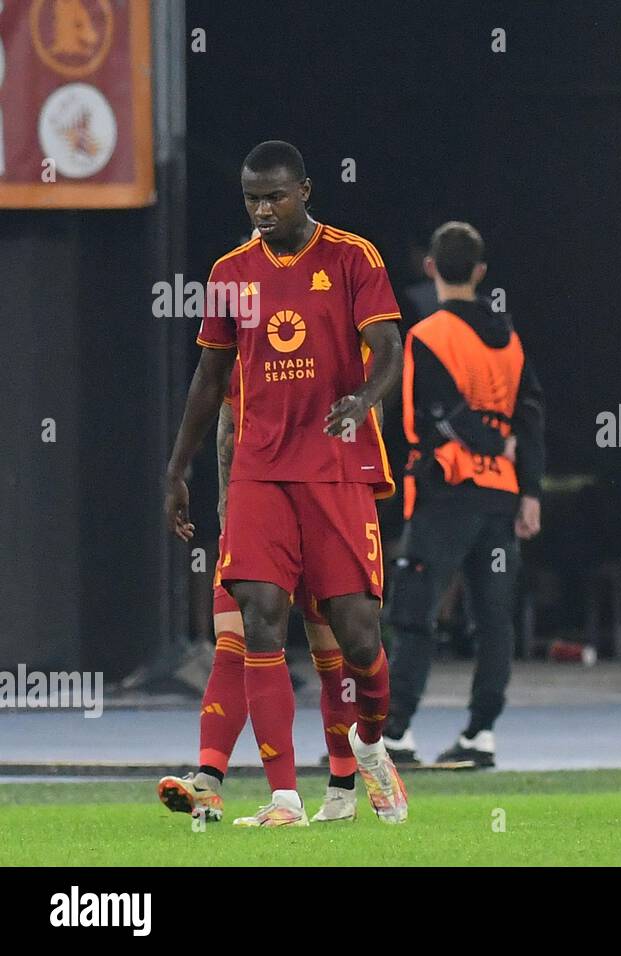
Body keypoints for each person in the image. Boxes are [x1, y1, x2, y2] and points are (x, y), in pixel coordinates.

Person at [163, 140, 409, 826]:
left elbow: (390, 346)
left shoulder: (353, 257)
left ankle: (368, 745)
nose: (263, 209)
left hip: (335, 469)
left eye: (274, 196)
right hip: (260, 471)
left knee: (358, 641)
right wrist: (177, 468)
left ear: (304, 189)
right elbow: (210, 378)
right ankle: (282, 798)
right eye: (251, 198)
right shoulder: (229, 273)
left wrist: (363, 398)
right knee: (258, 622)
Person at [156, 373, 361, 823]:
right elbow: (227, 426)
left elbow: (365, 426)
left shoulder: (332, 344)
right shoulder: (241, 348)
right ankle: (213, 783)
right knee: (234, 648)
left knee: (333, 660)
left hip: (324, 514)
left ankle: (342, 789)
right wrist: (232, 517)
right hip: (257, 522)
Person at [382, 221, 544, 769]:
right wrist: (531, 491)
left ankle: (397, 733)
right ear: (479, 271)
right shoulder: (510, 336)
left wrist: (487, 440)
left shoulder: (428, 336)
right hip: (500, 498)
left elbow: (439, 414)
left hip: (446, 493)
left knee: (414, 611)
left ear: (430, 268)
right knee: (494, 620)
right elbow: (533, 416)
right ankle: (480, 733)